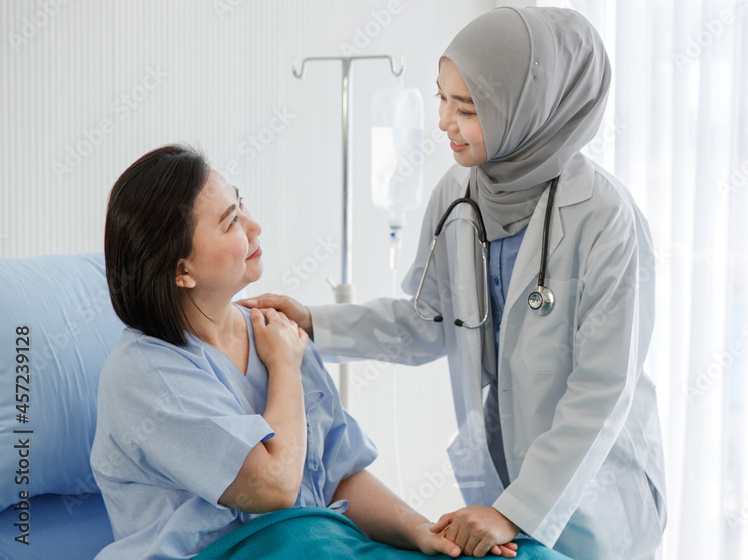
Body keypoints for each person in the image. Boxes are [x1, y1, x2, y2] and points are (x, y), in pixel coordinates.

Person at [241, 6, 666, 560]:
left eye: (465, 108)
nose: (443, 121)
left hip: (591, 494)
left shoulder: (606, 218)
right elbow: (425, 321)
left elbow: (602, 390)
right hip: (497, 475)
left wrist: (515, 510)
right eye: (441, 98)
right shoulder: (457, 194)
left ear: (525, 111)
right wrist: (315, 323)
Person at [89, 145, 517, 560]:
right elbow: (272, 489)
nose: (254, 227)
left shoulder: (273, 330)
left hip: (318, 540)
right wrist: (285, 369)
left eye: (242, 206)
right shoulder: (146, 374)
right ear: (182, 271)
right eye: (231, 221)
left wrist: (422, 531)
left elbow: (338, 474)